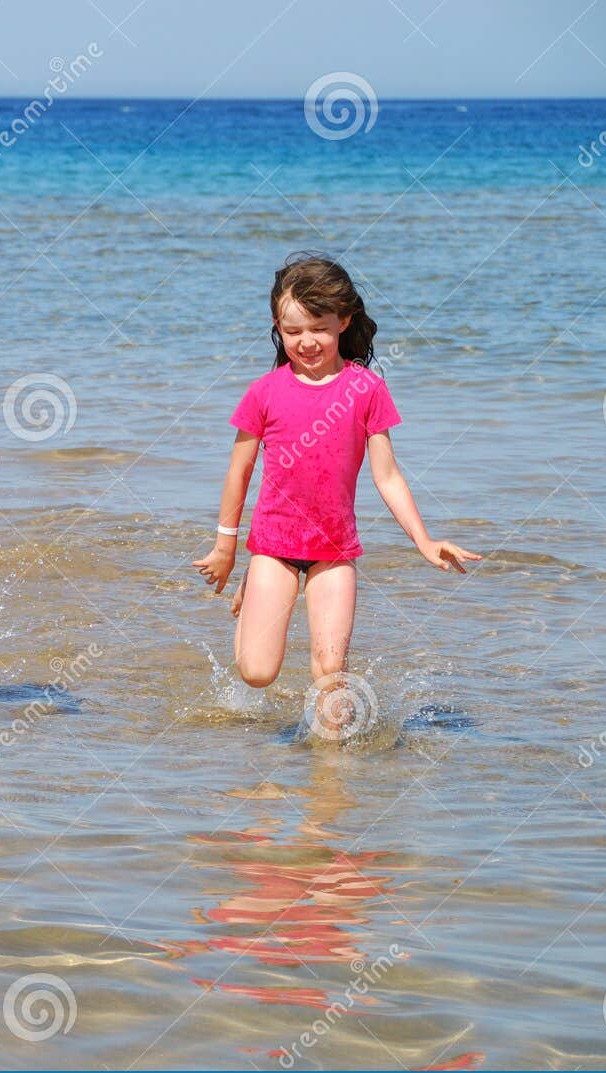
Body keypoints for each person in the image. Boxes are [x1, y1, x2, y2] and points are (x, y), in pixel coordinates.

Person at [191, 254, 479, 736]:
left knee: (329, 674)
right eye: (292, 330)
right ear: (277, 328)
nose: (306, 342)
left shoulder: (366, 389)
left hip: (334, 551)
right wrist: (225, 548)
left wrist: (424, 541)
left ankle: (330, 783)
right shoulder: (264, 392)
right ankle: (253, 584)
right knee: (257, 673)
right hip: (273, 547)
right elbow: (238, 472)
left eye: (319, 328)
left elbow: (388, 476)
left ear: (343, 321)